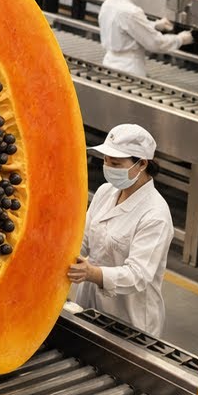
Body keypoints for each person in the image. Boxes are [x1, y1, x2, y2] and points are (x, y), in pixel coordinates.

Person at [68, 124, 175, 338]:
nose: (108, 166)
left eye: (115, 163)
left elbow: (138, 276)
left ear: (142, 163)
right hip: (90, 306)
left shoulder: (155, 215)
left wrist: (93, 274)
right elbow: (83, 238)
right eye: (106, 160)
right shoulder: (105, 192)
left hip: (130, 320)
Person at [98, 0, 193, 77]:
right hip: (129, 69)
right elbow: (155, 43)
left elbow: (125, 28)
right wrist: (180, 39)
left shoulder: (108, 4)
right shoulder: (131, 11)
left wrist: (155, 25)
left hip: (109, 64)